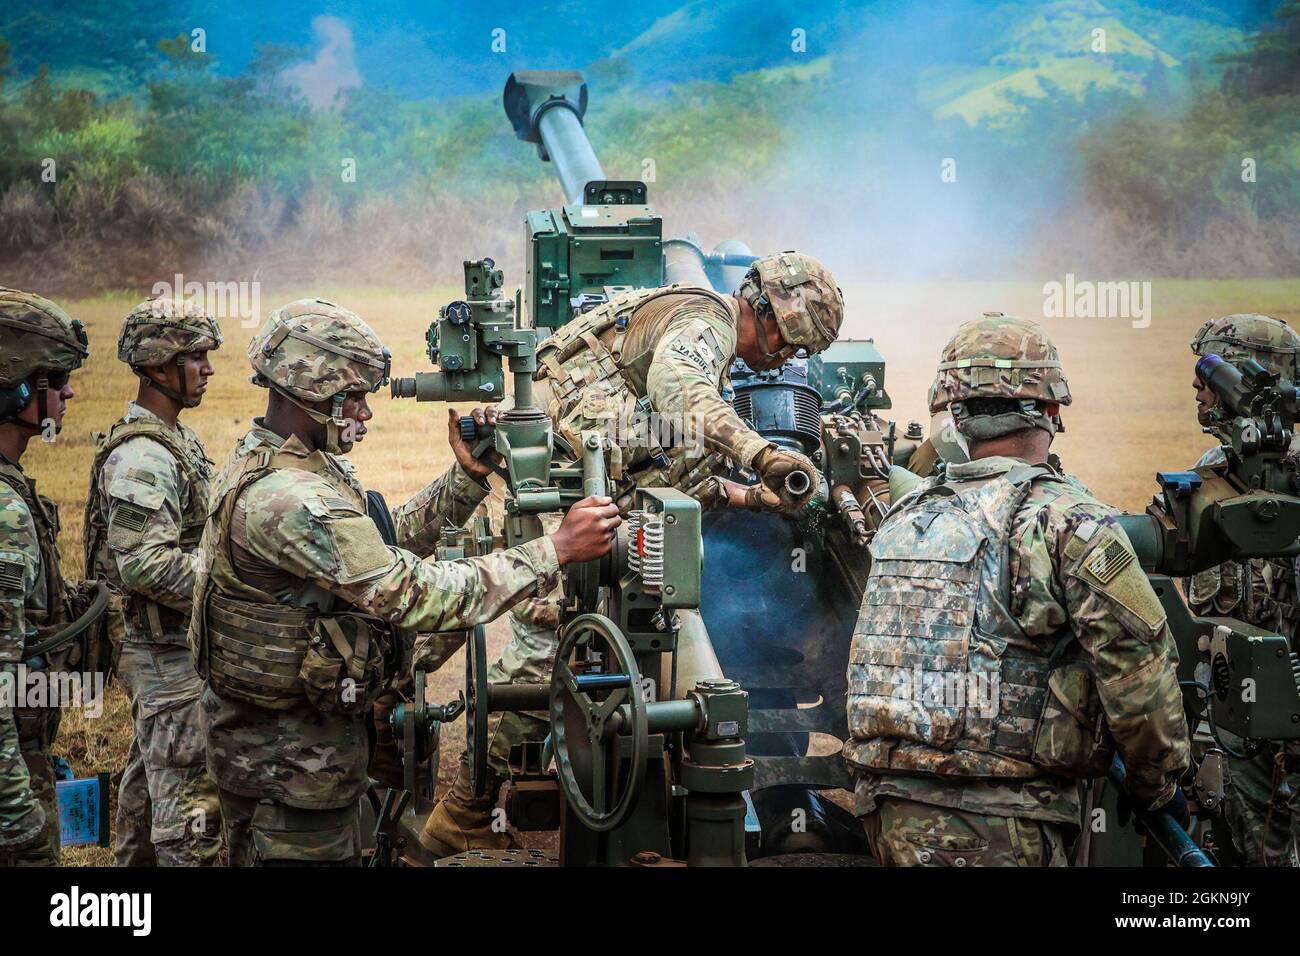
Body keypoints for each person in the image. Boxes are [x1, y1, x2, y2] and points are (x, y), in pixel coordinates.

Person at [420, 251, 846, 855]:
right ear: (776, 323)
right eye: (791, 348)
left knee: (462, 602)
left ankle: (396, 696)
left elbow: (664, 454)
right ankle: (465, 807)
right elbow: (680, 397)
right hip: (558, 486)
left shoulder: (701, 330)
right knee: (544, 645)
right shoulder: (707, 324)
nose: (783, 362)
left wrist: (751, 496)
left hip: (580, 481)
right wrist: (763, 454)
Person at [189, 297, 618, 865]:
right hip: (288, 771)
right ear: (315, 393)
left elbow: (378, 546)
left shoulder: (286, 462)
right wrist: (555, 550)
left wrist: (465, 482)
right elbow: (414, 594)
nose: (365, 413)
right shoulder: (290, 500)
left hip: (296, 756)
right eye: (354, 398)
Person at [844, 312, 1190, 866]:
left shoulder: (906, 516)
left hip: (886, 812)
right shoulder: (1069, 521)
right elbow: (1137, 674)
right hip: (1005, 821)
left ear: (954, 413)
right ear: (1052, 409)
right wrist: (1159, 786)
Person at [84, 298, 224, 865]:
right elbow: (144, 564)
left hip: (173, 648)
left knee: (148, 792)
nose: (209, 370)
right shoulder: (143, 455)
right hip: (162, 654)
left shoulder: (172, 439)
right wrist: (232, 586)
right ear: (161, 366)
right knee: (192, 813)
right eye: (197, 358)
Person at [1186, 313, 1300, 866]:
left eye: (1209, 372)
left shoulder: (1291, 481)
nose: (1196, 387)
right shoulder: (1213, 471)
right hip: (1231, 733)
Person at [0, 287, 90, 865]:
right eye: (55, 378)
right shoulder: (6, 512)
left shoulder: (15, 489)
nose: (69, 392)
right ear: (19, 388)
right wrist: (18, 817)